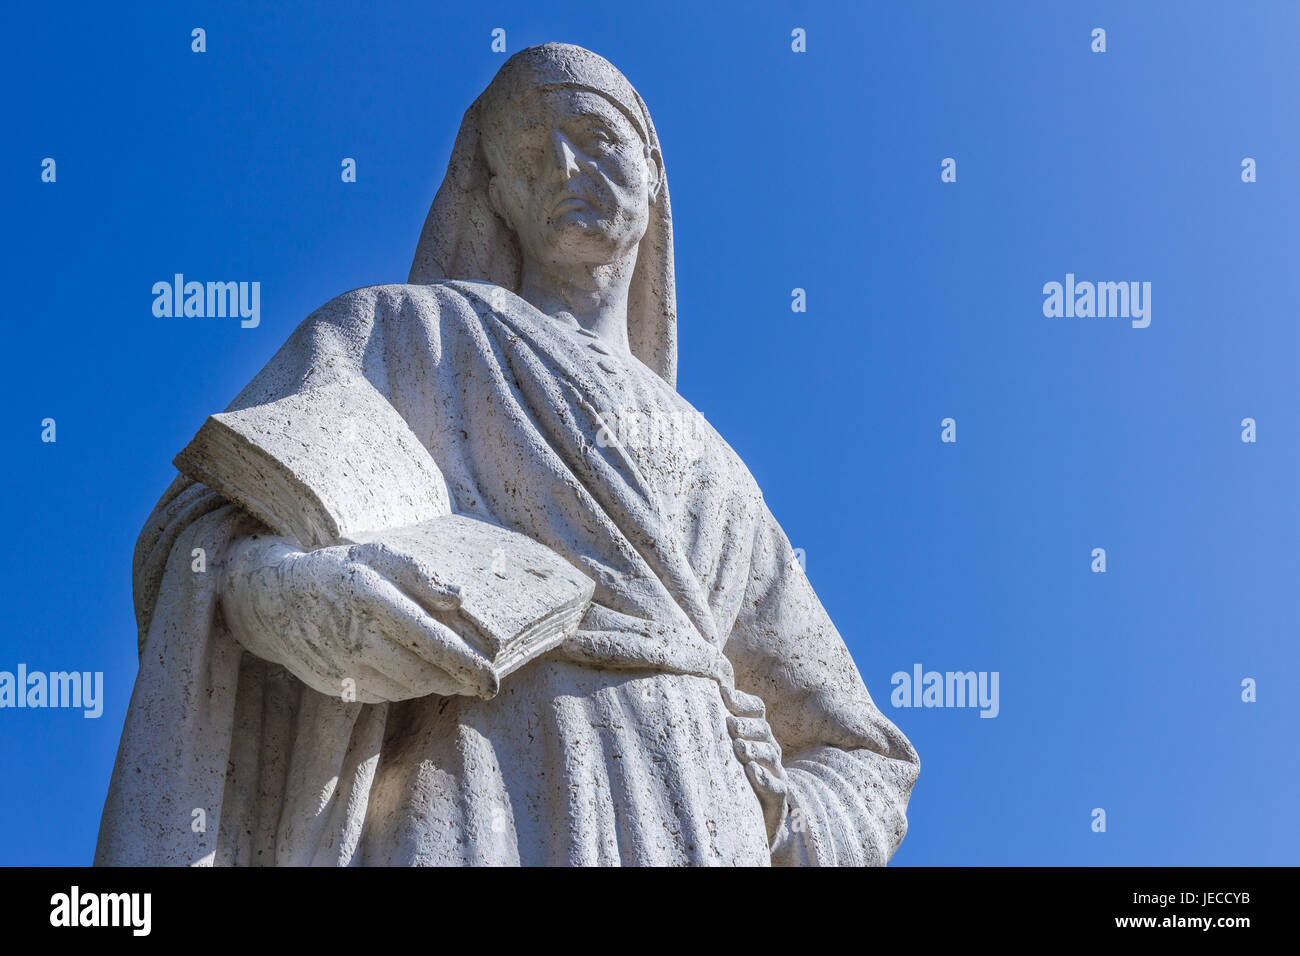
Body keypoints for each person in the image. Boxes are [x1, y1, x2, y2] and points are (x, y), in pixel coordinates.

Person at [96, 42, 918, 866]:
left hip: (700, 825)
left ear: (652, 170)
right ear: (492, 190)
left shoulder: (721, 472)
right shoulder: (403, 335)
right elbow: (207, 532)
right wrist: (301, 597)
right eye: (528, 151)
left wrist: (781, 813)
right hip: (471, 794)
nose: (563, 165)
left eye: (594, 136)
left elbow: (867, 756)